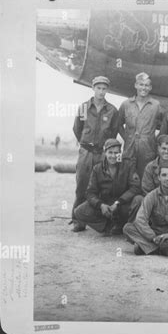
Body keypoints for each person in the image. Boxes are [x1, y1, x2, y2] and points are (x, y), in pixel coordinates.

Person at [71, 76, 119, 232]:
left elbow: (114, 132)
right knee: (82, 185)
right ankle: (78, 220)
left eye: (104, 88)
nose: (101, 91)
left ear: (107, 90)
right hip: (86, 152)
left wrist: (102, 148)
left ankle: (101, 220)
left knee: (102, 187)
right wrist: (86, 145)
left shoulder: (112, 110)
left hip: (102, 153)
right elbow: (77, 129)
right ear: (93, 88)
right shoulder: (84, 108)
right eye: (98, 88)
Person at [123, 160, 168, 258]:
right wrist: (153, 237)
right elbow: (140, 219)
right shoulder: (151, 196)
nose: (167, 178)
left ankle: (148, 248)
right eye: (164, 175)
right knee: (128, 228)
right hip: (155, 232)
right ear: (159, 177)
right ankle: (167, 250)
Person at [74, 139, 143, 235]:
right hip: (106, 205)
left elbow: (135, 187)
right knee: (79, 211)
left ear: (120, 153)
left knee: (139, 200)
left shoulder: (128, 165)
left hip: (123, 204)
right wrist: (101, 205)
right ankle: (108, 226)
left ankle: (128, 227)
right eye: (110, 152)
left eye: (116, 153)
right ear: (105, 152)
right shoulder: (97, 169)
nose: (113, 156)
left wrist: (118, 202)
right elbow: (90, 192)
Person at [118, 72, 162, 179]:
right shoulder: (126, 104)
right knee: (127, 180)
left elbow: (164, 126)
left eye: (147, 85)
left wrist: (153, 141)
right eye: (141, 84)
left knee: (146, 181)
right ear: (136, 85)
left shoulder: (156, 105)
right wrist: (127, 138)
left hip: (148, 152)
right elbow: (118, 125)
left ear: (150, 87)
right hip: (129, 151)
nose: (144, 88)